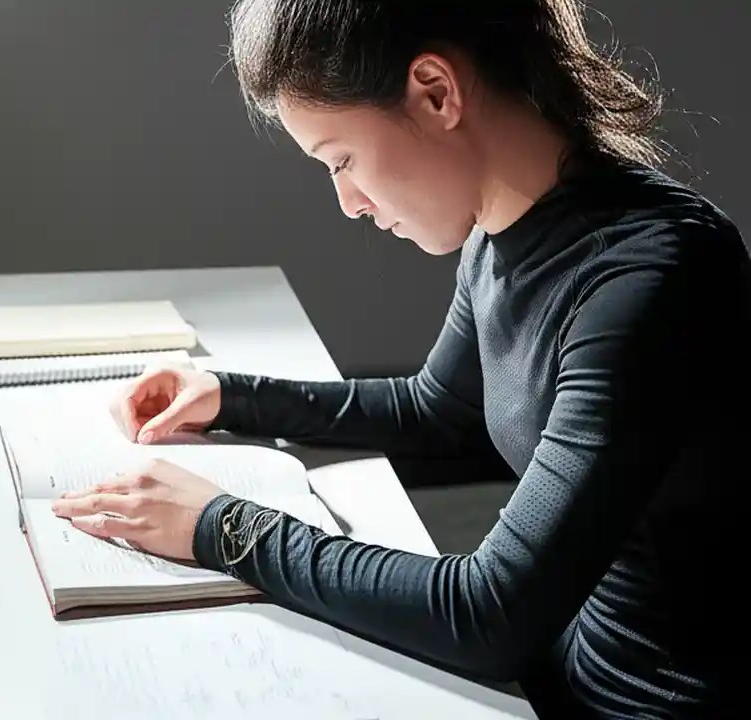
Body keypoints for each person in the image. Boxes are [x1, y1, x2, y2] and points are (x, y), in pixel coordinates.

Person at [49, 1, 748, 718]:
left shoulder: (650, 280)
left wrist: (224, 528)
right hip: (551, 683)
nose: (348, 202)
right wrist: (230, 398)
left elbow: (490, 615)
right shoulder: (502, 232)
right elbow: (440, 414)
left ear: (437, 92)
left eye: (341, 159)